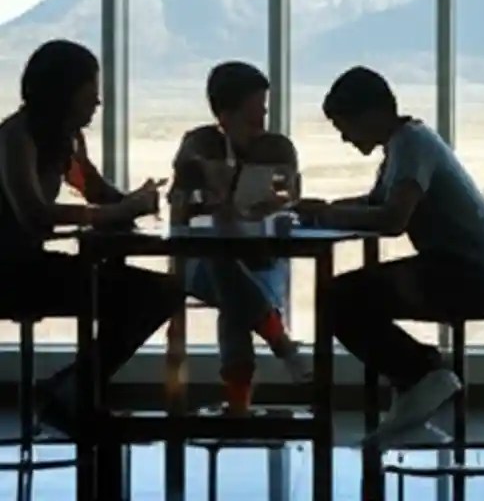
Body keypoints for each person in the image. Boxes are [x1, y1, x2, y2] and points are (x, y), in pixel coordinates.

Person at [294, 67, 484, 448]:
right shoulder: (402, 145)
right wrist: (322, 209)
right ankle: (414, 384)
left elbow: (393, 219)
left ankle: (422, 373)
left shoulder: (411, 145)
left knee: (338, 298)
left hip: (467, 275)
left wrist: (328, 215)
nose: (344, 137)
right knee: (345, 296)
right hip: (461, 269)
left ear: (372, 114)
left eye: (345, 125)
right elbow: (375, 203)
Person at [0, 40, 183, 436]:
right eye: (90, 91)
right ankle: (71, 392)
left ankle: (71, 390)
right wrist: (122, 210)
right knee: (152, 294)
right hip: (10, 274)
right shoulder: (17, 137)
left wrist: (138, 199)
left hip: (29, 266)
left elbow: (99, 194)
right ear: (65, 92)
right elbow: (34, 214)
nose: (97, 103)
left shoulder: (66, 141)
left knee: (161, 292)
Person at [168, 61, 311, 416]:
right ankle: (281, 342)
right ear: (224, 116)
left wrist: (278, 204)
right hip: (207, 265)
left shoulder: (277, 150)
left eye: (262, 114)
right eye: (251, 119)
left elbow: (293, 201)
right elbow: (177, 205)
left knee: (231, 288)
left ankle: (238, 404)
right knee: (221, 261)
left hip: (262, 263)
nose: (261, 126)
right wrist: (204, 195)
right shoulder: (199, 146)